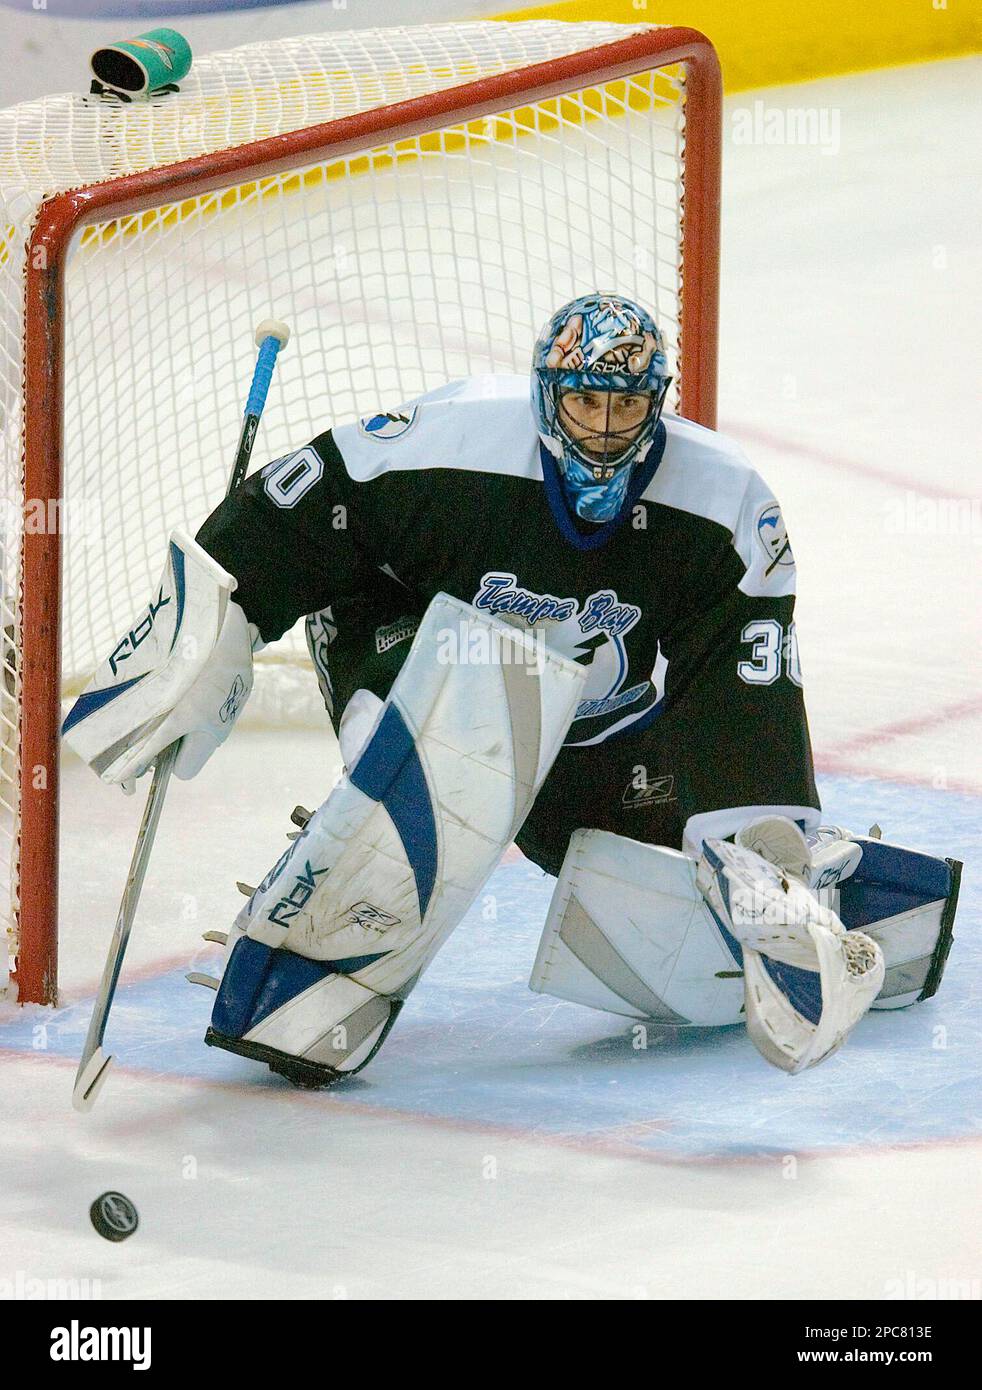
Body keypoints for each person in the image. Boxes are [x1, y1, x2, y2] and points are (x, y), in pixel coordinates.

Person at [64, 294, 958, 1087]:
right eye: (584, 402)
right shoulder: (449, 445)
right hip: (406, 648)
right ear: (543, 395)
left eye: (625, 407)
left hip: (591, 723)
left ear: (660, 403)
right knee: (466, 722)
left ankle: (848, 894)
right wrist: (218, 623)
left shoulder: (722, 507)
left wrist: (764, 845)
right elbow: (305, 499)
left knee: (657, 899)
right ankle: (314, 967)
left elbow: (739, 675)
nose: (604, 429)